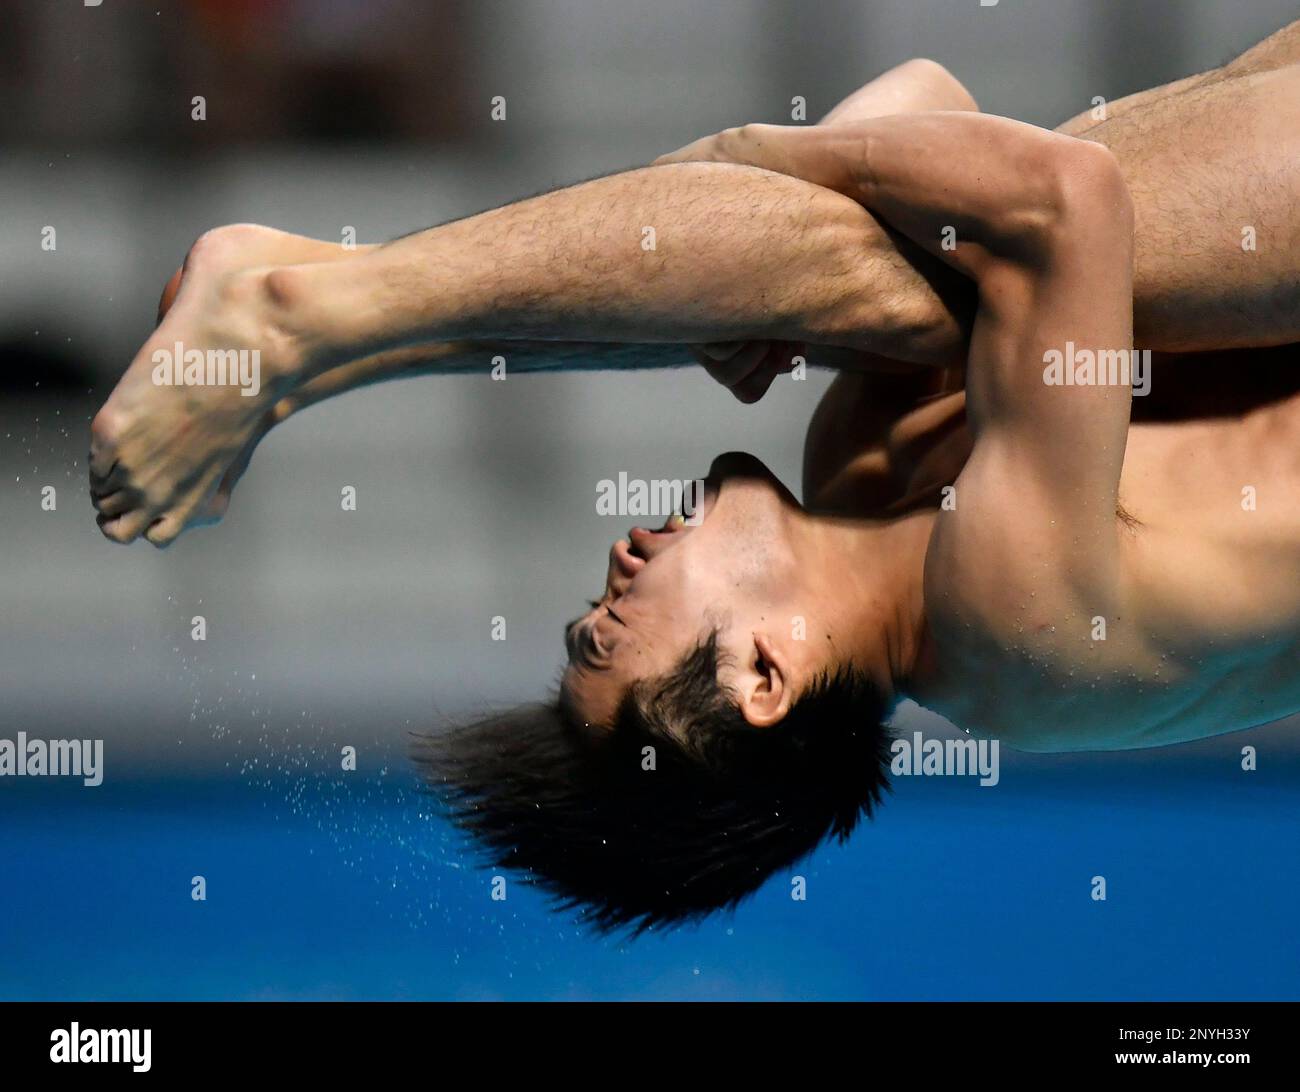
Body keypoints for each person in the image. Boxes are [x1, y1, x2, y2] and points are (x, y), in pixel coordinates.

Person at [89, 27, 1300, 931]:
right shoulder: (1013, 617)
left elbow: (930, 97)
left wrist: (767, 217)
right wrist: (746, 153)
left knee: (876, 256)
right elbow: (1061, 199)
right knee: (894, 249)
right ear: (763, 674)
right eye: (605, 631)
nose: (611, 571)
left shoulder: (866, 473)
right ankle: (315, 315)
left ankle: (316, 321)